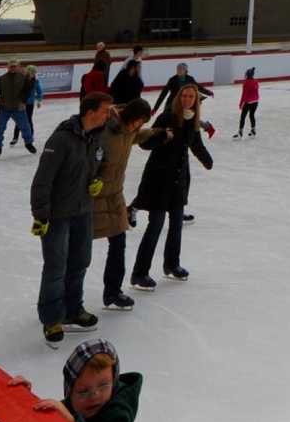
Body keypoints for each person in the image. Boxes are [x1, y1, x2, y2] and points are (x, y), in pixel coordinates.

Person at [33, 91, 110, 346]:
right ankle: (52, 318)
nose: (108, 116)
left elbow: (101, 163)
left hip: (82, 211)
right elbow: (42, 180)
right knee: (56, 266)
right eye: (105, 111)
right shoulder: (62, 139)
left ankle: (73, 309)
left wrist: (96, 179)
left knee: (80, 261)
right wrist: (41, 215)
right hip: (57, 215)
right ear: (90, 113)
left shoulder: (96, 138)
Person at [129, 83, 213, 289]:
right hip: (158, 179)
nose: (187, 99)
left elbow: (195, 144)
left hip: (179, 181)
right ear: (178, 98)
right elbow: (145, 143)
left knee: (176, 227)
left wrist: (207, 160)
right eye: (184, 95)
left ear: (195, 100)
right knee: (155, 227)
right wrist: (162, 136)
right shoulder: (167, 117)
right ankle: (139, 273)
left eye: (191, 97)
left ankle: (171, 265)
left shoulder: (192, 121)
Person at [95, 99, 154, 311]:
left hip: (115, 196)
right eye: (137, 121)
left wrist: (156, 132)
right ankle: (67, 301)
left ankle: (112, 293)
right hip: (92, 197)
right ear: (129, 116)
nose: (137, 126)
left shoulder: (129, 130)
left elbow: (136, 136)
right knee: (78, 252)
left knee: (119, 243)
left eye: (141, 123)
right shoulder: (104, 131)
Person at [43, 339, 142, 422]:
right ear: (70, 393)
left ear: (113, 382)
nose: (95, 395)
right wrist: (26, 398)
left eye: (104, 385)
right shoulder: (72, 404)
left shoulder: (118, 412)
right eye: (84, 391)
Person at [0, 61, 37, 158]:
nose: (13, 68)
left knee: (25, 127)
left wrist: (23, 101)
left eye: (14, 66)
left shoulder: (23, 78)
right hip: (4, 109)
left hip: (18, 109)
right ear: (7, 67)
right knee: (0, 128)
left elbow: (29, 89)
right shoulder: (1, 79)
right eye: (11, 66)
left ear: (17, 67)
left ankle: (28, 143)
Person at [232, 68, 261, 138]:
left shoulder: (246, 83)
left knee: (243, 117)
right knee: (251, 115)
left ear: (247, 75)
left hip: (248, 102)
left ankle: (240, 132)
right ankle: (253, 130)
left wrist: (240, 104)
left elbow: (244, 95)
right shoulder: (256, 81)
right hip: (256, 101)